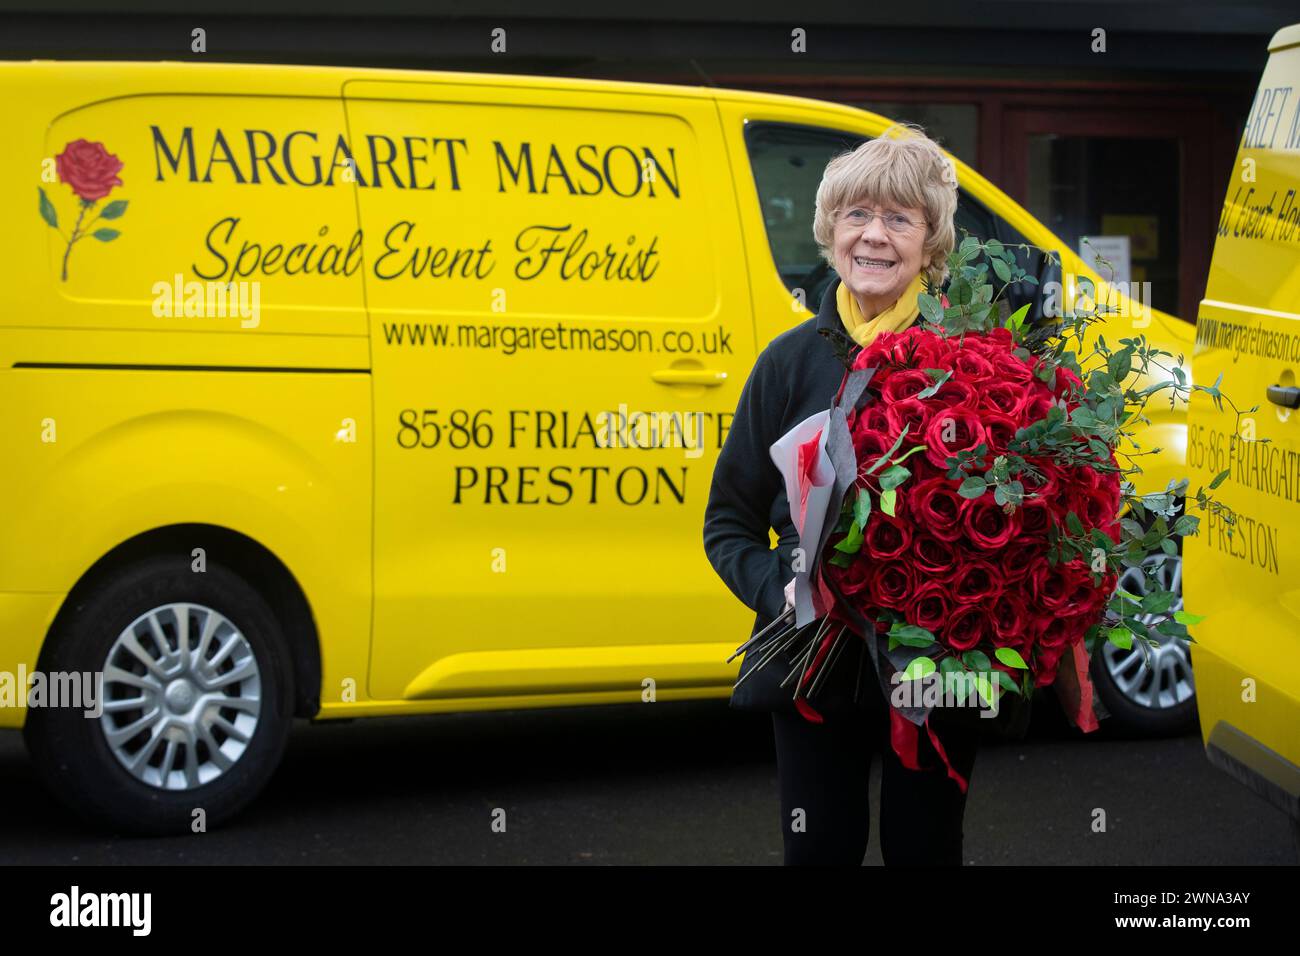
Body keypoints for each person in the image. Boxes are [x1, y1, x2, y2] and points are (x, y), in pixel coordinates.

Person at [703, 123, 981, 866]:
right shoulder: (788, 362)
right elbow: (727, 520)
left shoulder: (975, 364)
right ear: (830, 231)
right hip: (810, 658)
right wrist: (786, 592)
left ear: (932, 241)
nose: (874, 236)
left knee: (926, 850)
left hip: (938, 661)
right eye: (857, 215)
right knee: (817, 849)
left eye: (899, 218)